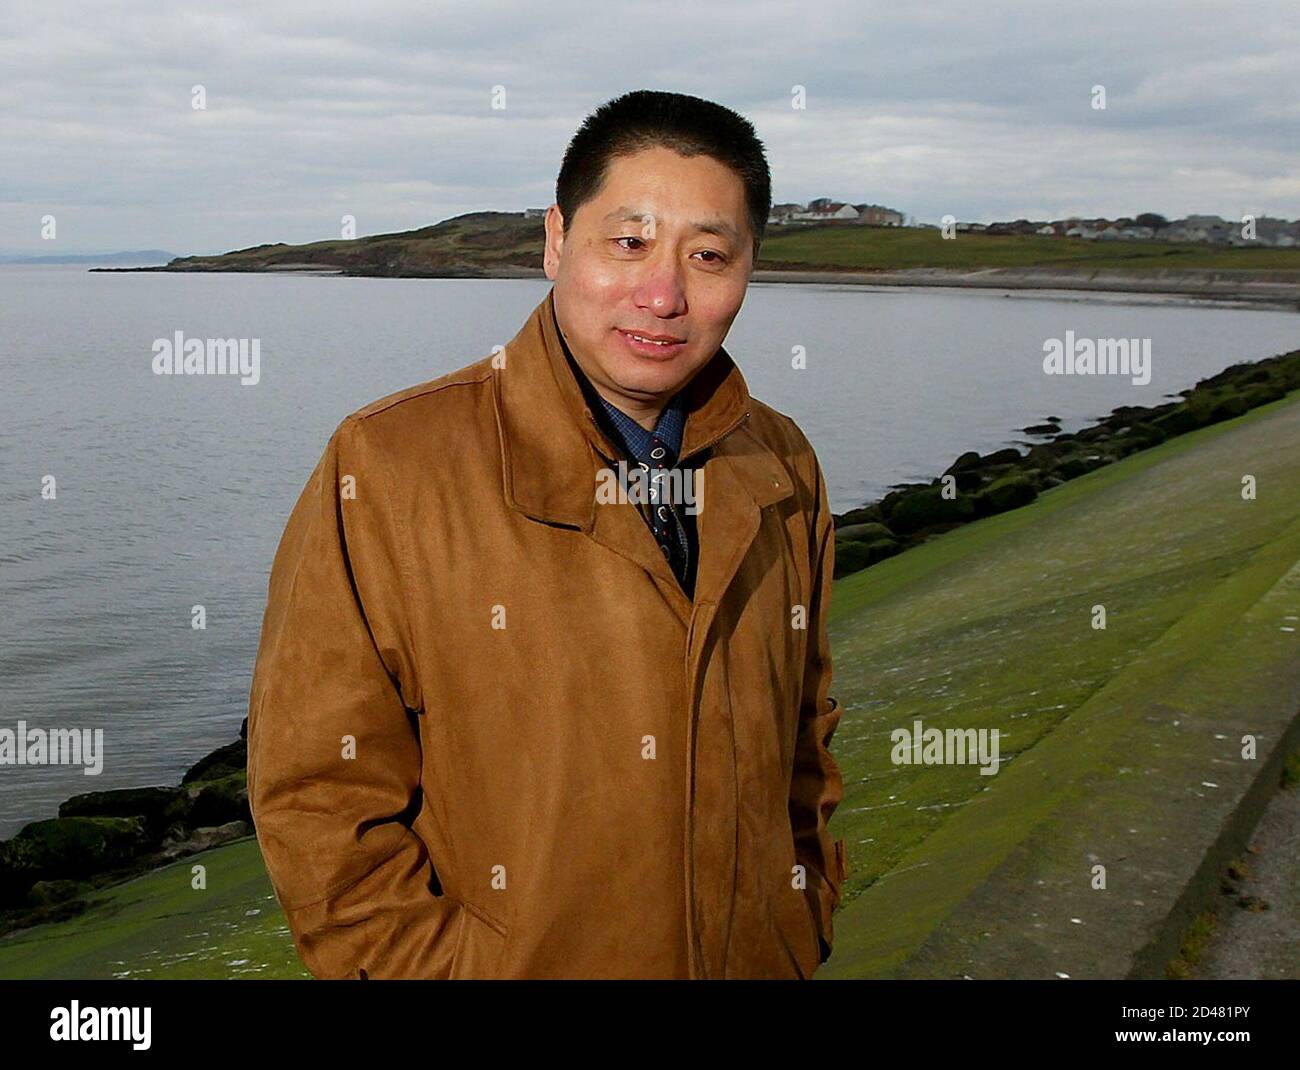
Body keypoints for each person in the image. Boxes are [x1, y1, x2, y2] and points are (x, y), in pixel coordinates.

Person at [246, 88, 848, 980]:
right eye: (630, 241)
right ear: (557, 239)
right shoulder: (389, 463)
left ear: (749, 267)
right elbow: (318, 791)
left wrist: (797, 921)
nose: (663, 292)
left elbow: (804, 736)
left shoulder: (783, 464)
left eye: (709, 254)